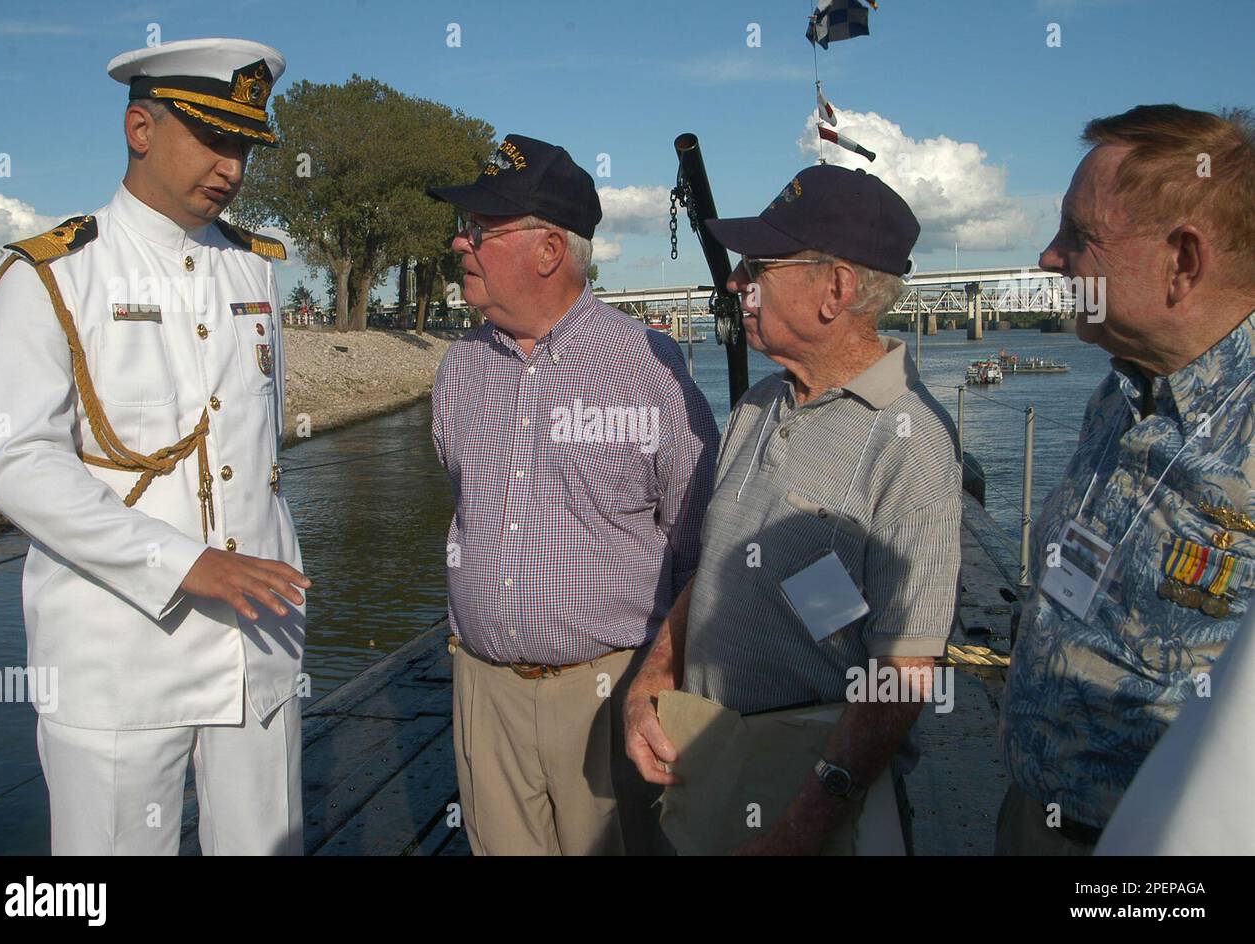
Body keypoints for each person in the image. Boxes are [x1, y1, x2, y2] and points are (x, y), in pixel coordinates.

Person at [0, 38, 310, 855]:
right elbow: (21, 466)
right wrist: (183, 563)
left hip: (256, 646)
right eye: (213, 139)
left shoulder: (255, 271)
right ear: (139, 128)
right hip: (118, 647)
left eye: (243, 146)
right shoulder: (54, 274)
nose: (231, 168)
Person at [624, 164, 962, 855]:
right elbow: (719, 563)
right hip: (711, 757)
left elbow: (903, 674)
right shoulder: (759, 404)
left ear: (835, 289)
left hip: (806, 784)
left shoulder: (912, 441)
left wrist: (805, 826)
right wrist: (655, 670)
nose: (735, 283)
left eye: (758, 267)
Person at [427, 134, 719, 855]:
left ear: (548, 250)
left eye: (479, 230)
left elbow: (700, 542)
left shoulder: (648, 368)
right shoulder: (459, 370)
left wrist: (664, 679)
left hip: (610, 693)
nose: (460, 245)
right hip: (483, 693)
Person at [997, 104, 1255, 855]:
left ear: (1184, 261)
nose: (1049, 257)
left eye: (1080, 236)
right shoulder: (1120, 393)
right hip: (1034, 811)